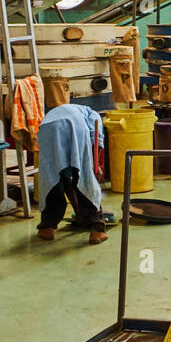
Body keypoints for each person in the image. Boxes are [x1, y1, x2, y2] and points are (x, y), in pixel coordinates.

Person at [35, 103, 108, 244]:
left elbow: (66, 179)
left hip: (47, 128)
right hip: (74, 126)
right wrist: (95, 165)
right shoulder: (93, 113)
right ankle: (97, 230)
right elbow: (96, 139)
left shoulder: (69, 109)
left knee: (52, 179)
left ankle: (47, 228)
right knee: (84, 177)